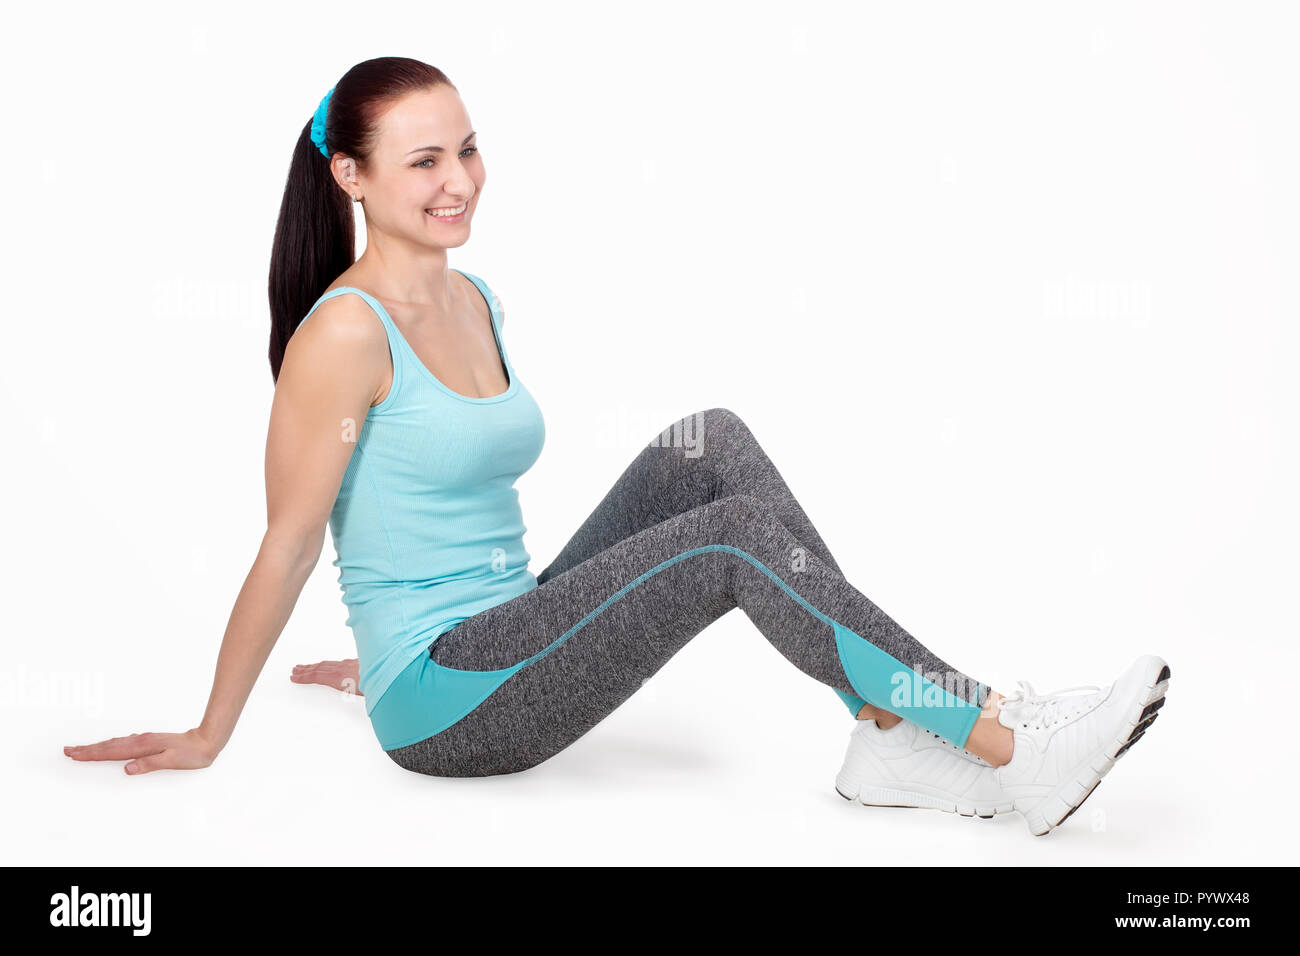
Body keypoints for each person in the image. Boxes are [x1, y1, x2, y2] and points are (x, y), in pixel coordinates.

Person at [63, 56, 1171, 837]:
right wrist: (222, 725)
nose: (458, 182)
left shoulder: (474, 294)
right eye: (421, 163)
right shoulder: (344, 334)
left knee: (707, 441)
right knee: (730, 541)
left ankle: (888, 730)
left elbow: (417, 498)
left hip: (507, 622)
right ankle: (1008, 751)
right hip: (448, 698)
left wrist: (390, 636)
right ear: (351, 177)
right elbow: (292, 540)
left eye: (468, 149)